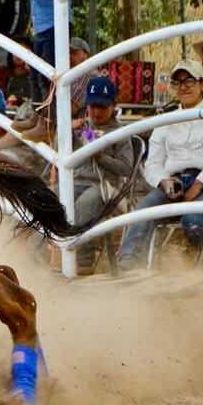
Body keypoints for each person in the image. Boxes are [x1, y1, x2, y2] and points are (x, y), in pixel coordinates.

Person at [117, 60, 203, 273]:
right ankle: (128, 267)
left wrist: (199, 184)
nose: (184, 86)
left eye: (189, 80)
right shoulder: (166, 119)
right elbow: (152, 162)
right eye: (178, 82)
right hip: (175, 183)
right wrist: (164, 181)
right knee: (145, 209)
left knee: (194, 218)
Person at [71, 77, 135, 273]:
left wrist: (101, 158)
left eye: (102, 107)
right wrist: (66, 134)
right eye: (92, 106)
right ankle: (39, 257)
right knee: (47, 197)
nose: (96, 112)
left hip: (107, 186)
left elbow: (126, 168)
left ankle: (84, 262)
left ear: (114, 106)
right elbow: (59, 153)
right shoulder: (81, 128)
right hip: (76, 182)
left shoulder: (120, 133)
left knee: (85, 203)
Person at [0, 37, 34, 106]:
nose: (18, 54)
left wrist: (31, 70)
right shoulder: (2, 72)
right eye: (15, 50)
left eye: (23, 51)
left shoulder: (36, 74)